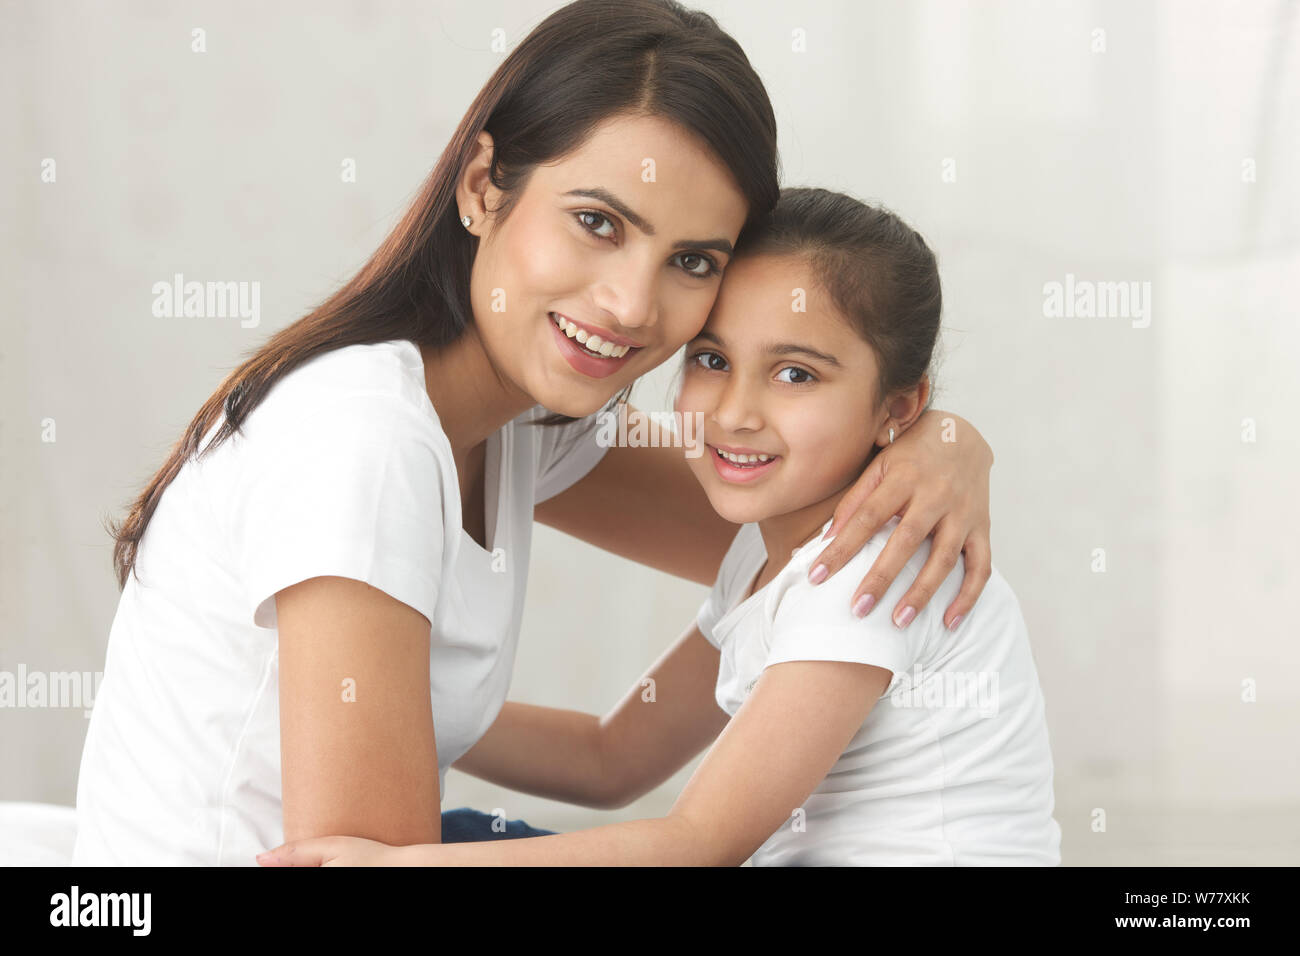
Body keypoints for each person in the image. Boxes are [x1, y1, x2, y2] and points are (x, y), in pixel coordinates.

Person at [74, 0, 995, 866]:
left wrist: (937, 441)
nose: (631, 304)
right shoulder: (365, 440)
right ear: (483, 188)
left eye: (691, 261)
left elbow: (787, 520)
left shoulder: (529, 421)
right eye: (597, 222)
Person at [257, 189, 1058, 866]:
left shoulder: (867, 572)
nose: (736, 413)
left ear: (898, 409)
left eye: (795, 374)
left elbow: (700, 841)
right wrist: (363, 701)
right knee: (461, 835)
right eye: (711, 360)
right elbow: (609, 759)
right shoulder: (765, 556)